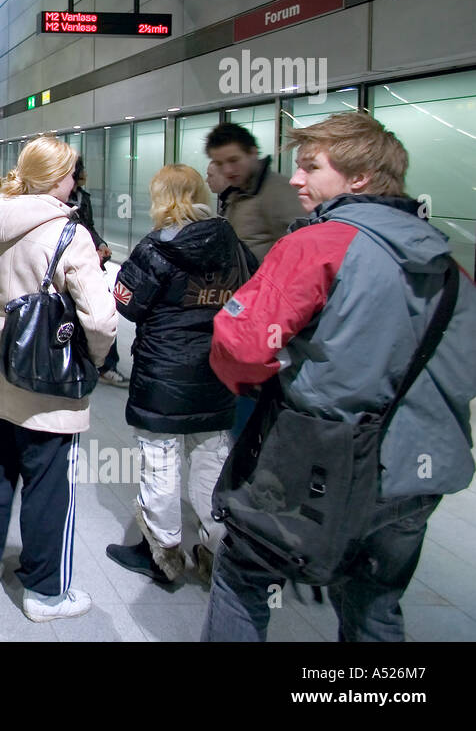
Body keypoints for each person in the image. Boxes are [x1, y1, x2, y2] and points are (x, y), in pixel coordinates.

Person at [202, 112, 474, 641]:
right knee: (375, 605)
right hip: (420, 475)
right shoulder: (446, 263)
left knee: (244, 576)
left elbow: (241, 342)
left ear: (360, 178)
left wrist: (267, 378)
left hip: (320, 465)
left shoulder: (318, 244)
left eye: (310, 167)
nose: (296, 179)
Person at [0, 136, 117, 622]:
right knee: (48, 486)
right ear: (58, 177)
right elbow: (101, 320)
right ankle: (45, 592)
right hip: (52, 386)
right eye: (71, 173)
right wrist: (94, 359)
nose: (75, 182)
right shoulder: (71, 234)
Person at [104, 164, 255, 585]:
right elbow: (254, 293)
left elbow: (129, 304)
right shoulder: (233, 244)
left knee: (161, 459)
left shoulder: (156, 248)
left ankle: (162, 553)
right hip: (218, 369)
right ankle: (215, 549)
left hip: (164, 372)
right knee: (211, 457)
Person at [69, 155, 128, 389]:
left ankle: (106, 365)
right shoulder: (50, 198)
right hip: (65, 261)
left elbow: (88, 227)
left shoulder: (83, 198)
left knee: (101, 310)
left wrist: (100, 243)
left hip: (87, 261)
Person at [205, 122, 304, 262]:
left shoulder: (277, 192)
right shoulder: (237, 193)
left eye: (234, 160)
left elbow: (300, 253)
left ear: (253, 153)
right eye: (219, 164)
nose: (227, 170)